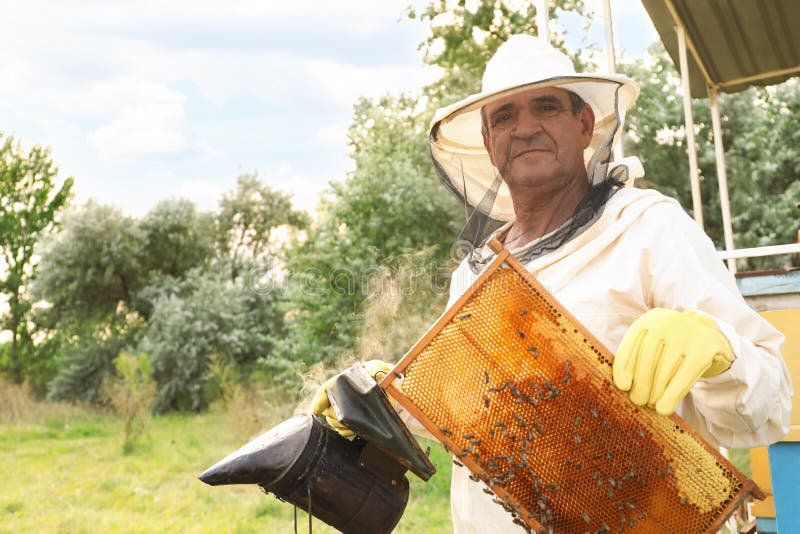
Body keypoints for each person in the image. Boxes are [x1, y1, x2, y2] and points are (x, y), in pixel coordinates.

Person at [313, 34, 793, 533]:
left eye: (545, 106)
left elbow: (769, 411)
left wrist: (721, 350)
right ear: (487, 141)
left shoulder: (649, 228)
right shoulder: (473, 273)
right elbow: (491, 422)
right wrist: (392, 399)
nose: (524, 128)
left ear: (585, 124)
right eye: (504, 116)